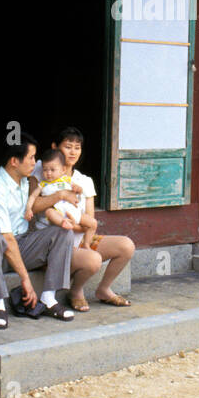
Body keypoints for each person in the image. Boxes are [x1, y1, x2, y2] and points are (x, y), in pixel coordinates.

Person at [0, 132, 77, 329]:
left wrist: (62, 194)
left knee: (63, 231)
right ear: (14, 161)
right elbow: (7, 239)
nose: (34, 163)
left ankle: (48, 298)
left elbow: (36, 206)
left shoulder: (24, 181)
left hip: (22, 245)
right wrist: (25, 279)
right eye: (31, 157)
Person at [30, 127, 134, 311]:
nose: (72, 152)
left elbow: (90, 220)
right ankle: (76, 291)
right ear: (55, 147)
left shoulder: (83, 181)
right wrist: (60, 195)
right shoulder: (43, 170)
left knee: (126, 245)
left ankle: (103, 289)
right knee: (93, 259)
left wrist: (75, 226)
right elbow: (34, 205)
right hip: (53, 242)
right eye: (68, 146)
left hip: (78, 235)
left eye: (77, 147)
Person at [31, 149, 96, 244]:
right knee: (49, 212)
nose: (48, 173)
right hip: (58, 213)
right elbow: (33, 198)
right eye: (45, 170)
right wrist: (28, 209)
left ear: (63, 170)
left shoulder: (67, 180)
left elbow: (78, 189)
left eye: (52, 170)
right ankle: (63, 223)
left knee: (93, 222)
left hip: (73, 212)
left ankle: (86, 244)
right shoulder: (43, 184)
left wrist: (78, 189)